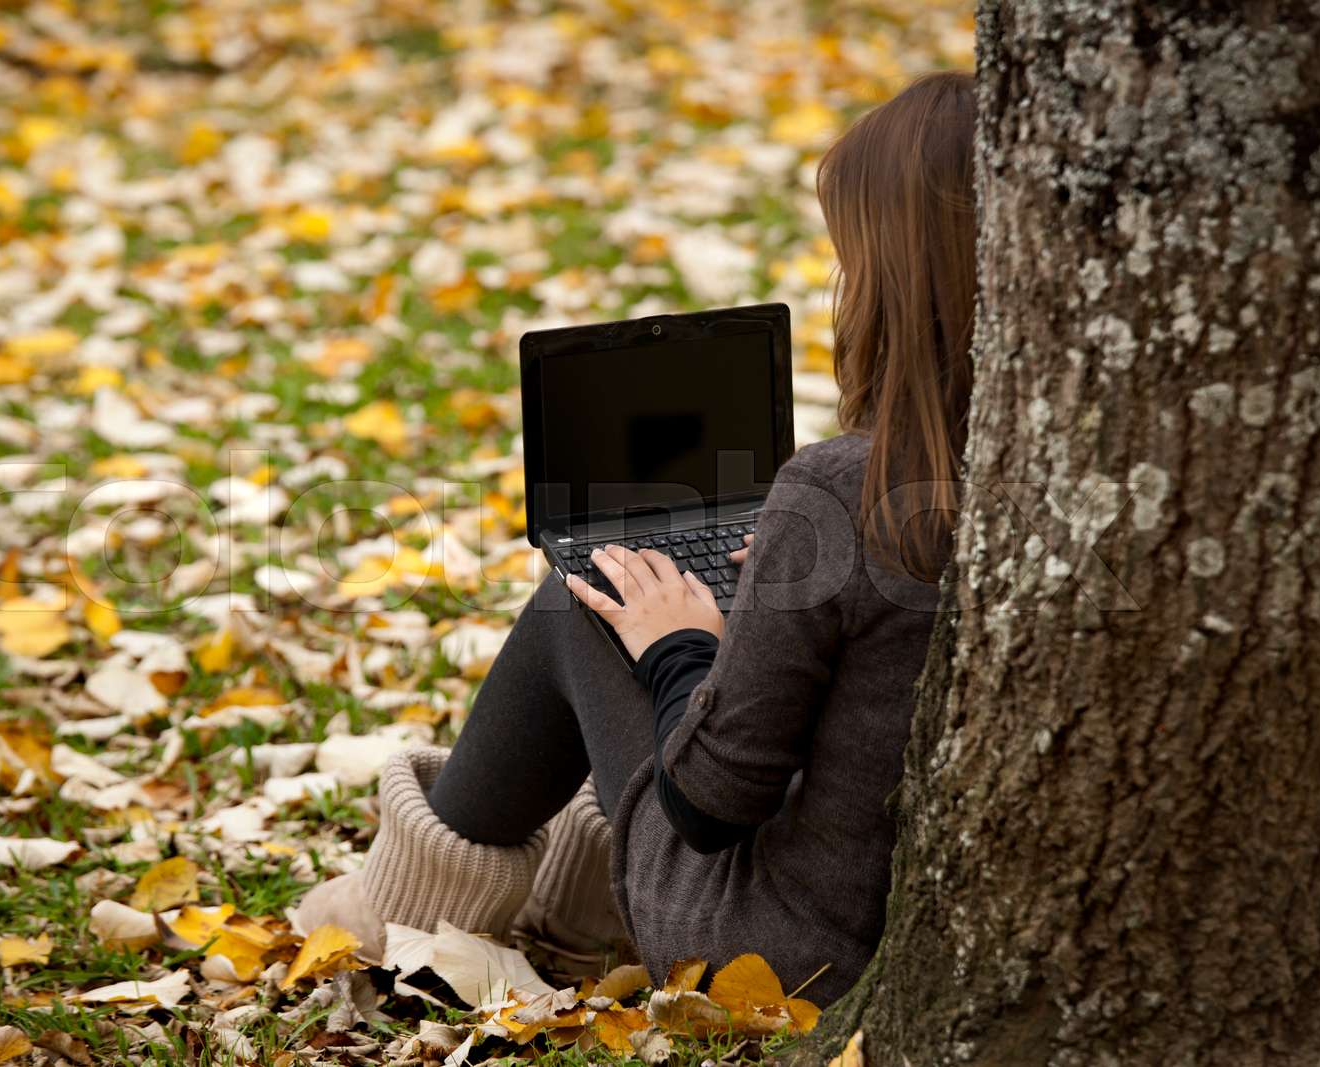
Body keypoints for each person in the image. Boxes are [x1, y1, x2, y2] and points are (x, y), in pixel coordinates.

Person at [295, 70, 977, 1008]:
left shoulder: (837, 490)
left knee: (584, 600)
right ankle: (574, 911)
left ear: (893, 286)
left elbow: (709, 803)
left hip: (768, 956)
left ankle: (395, 908)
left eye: (850, 263)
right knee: (664, 603)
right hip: (901, 922)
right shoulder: (1047, 481)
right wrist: (770, 597)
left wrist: (679, 644)